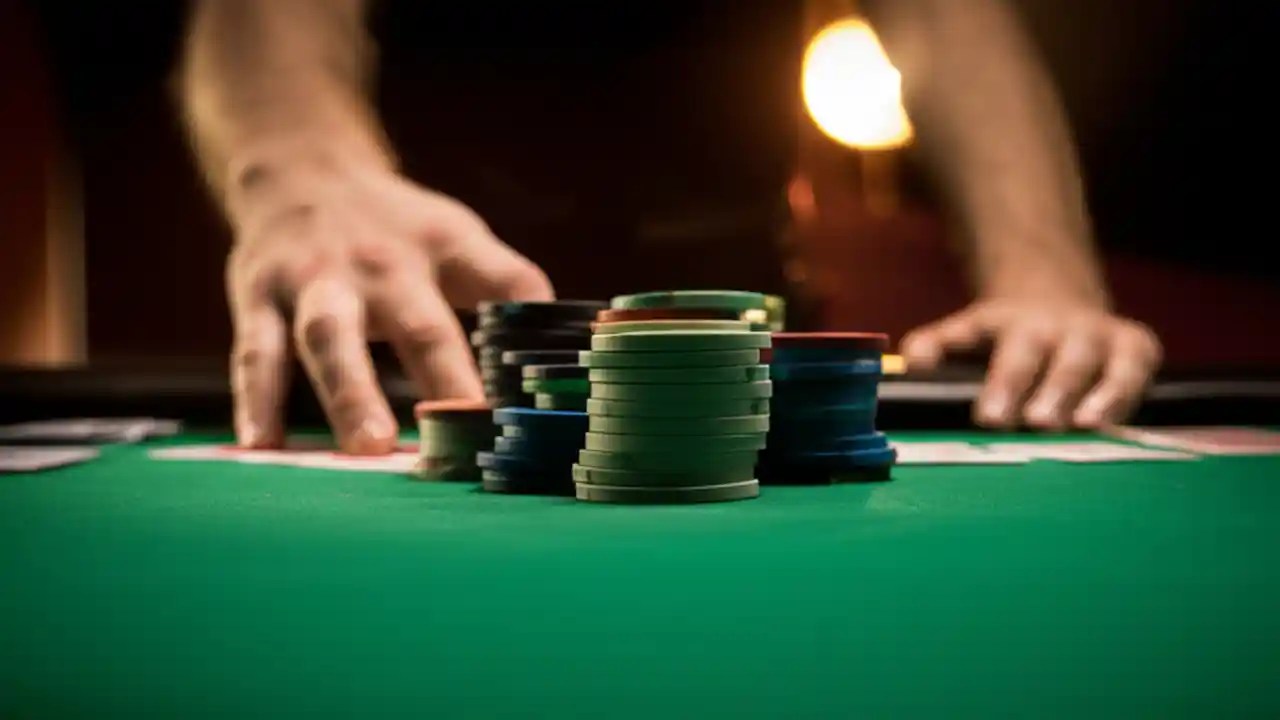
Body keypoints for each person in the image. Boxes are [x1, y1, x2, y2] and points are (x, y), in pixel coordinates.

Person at [179, 0, 1161, 455]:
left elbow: (948, 17)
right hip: (402, 337)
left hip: (741, 371)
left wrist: (1045, 279)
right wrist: (302, 175)